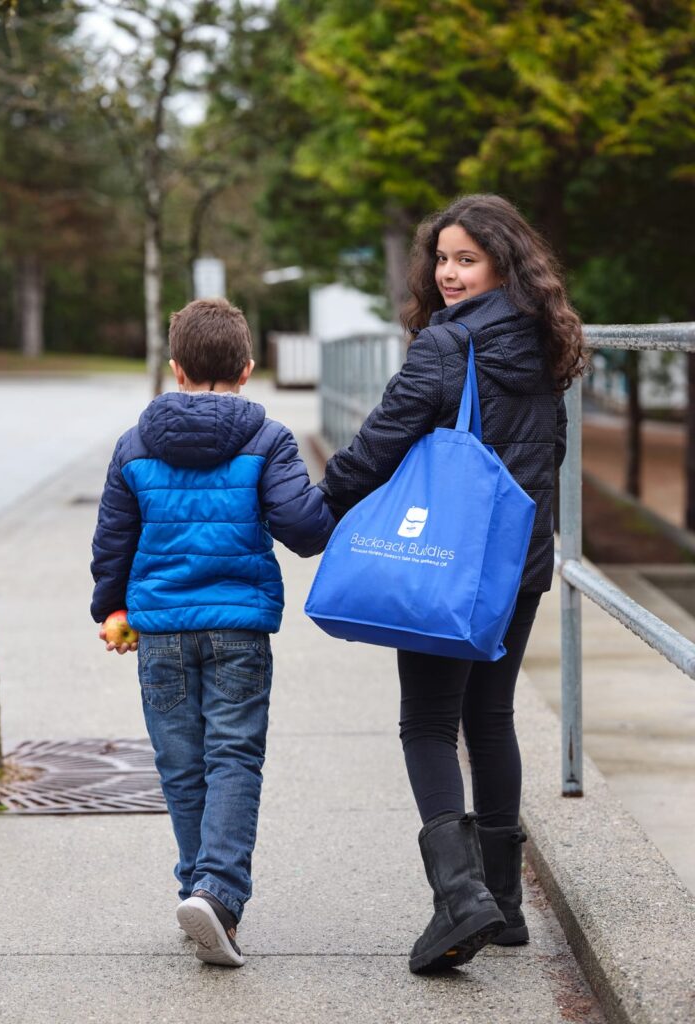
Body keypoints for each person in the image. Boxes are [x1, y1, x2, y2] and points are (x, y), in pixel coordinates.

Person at [319, 194, 586, 973]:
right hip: (519, 558)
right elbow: (554, 452)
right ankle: (504, 908)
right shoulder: (546, 341)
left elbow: (377, 444)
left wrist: (312, 513)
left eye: (466, 259)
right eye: (441, 259)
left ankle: (460, 899)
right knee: (491, 712)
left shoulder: (447, 348)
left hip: (445, 564)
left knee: (429, 725)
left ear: (503, 263)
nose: (447, 274)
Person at [90, 297, 335, 968]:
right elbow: (306, 530)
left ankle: (199, 886)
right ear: (248, 370)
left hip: (161, 630)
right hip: (238, 631)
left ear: (175, 369)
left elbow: (113, 541)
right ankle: (217, 895)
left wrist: (110, 610)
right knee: (233, 757)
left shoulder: (134, 444)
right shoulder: (267, 440)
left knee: (181, 762)